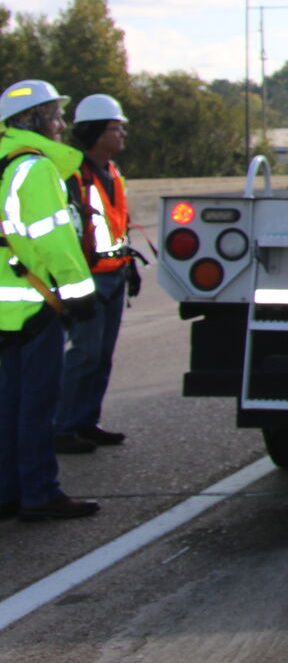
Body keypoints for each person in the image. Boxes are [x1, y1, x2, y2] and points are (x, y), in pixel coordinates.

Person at [0, 79, 101, 522]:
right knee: (37, 405)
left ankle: (7, 493)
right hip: (32, 308)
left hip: (5, 309)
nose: (62, 125)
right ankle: (40, 494)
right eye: (55, 115)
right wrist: (80, 293)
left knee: (7, 406)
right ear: (35, 119)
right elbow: (55, 240)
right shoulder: (34, 169)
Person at [54, 93, 135, 454]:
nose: (122, 135)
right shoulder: (72, 175)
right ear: (95, 133)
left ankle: (86, 422)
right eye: (115, 129)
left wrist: (128, 264)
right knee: (84, 353)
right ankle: (62, 427)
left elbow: (116, 223)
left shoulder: (113, 173)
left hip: (114, 273)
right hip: (87, 278)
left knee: (101, 355)